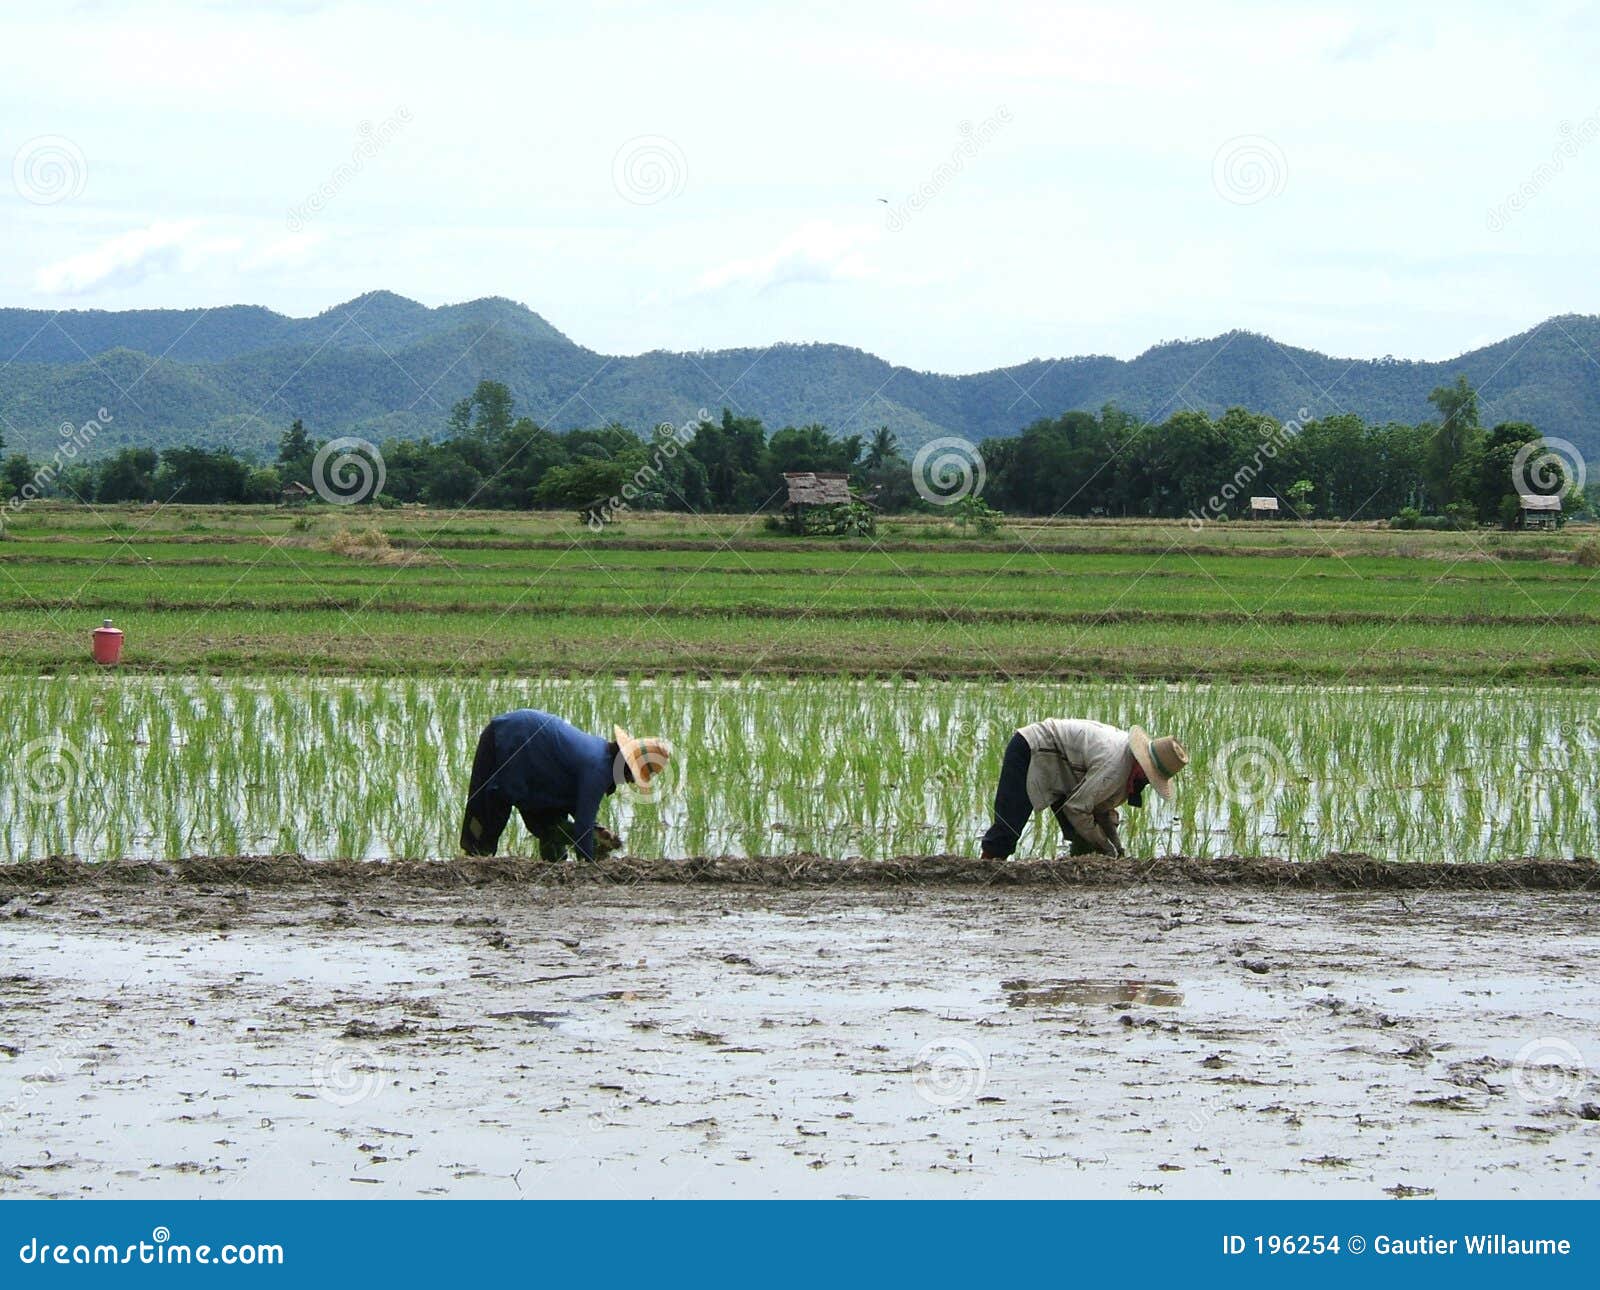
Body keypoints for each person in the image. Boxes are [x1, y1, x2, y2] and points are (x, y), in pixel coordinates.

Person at [459, 709, 670, 861]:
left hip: (535, 764)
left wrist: (596, 830)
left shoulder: (600, 755)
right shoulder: (597, 768)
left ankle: (556, 866)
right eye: (633, 775)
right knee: (490, 802)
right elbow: (582, 826)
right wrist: (589, 864)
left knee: (552, 821)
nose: (630, 781)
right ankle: (475, 859)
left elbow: (576, 807)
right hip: (507, 738)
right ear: (625, 764)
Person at [980, 719, 1186, 859]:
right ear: (1142, 765)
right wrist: (1106, 846)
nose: (1146, 783)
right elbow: (1077, 808)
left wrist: (1117, 849)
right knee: (1010, 823)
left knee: (1085, 836)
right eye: (1148, 777)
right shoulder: (1114, 766)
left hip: (1065, 765)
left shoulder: (1126, 763)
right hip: (1032, 748)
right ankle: (985, 870)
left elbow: (1100, 809)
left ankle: (1075, 876)